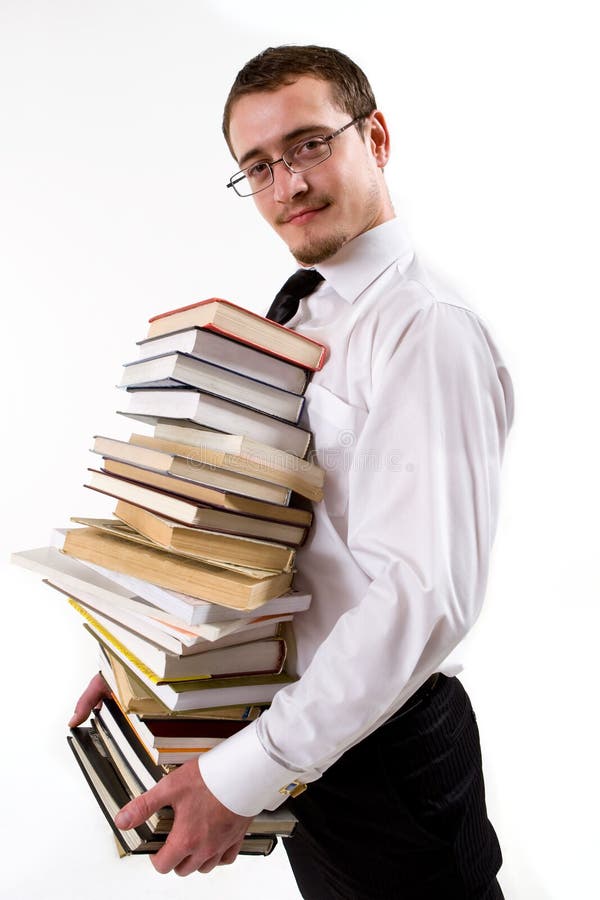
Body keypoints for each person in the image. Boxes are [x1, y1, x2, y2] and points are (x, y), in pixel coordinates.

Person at [71, 45, 514, 898]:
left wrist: (247, 772)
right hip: (314, 732)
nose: (288, 187)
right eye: (259, 166)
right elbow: (281, 536)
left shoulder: (425, 331)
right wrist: (161, 659)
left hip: (383, 751)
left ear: (375, 137)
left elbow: (424, 599)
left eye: (311, 145)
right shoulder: (309, 306)